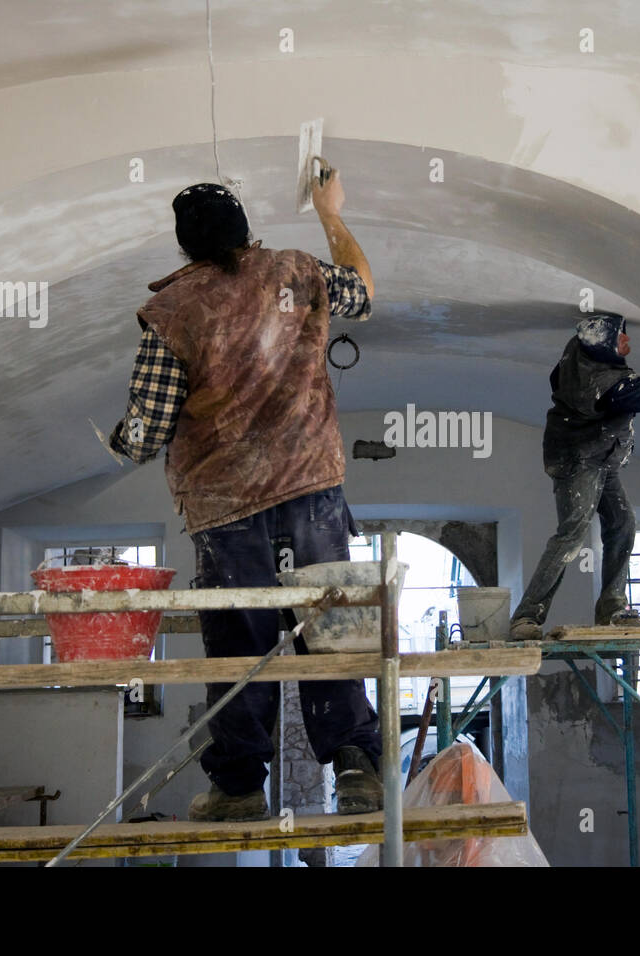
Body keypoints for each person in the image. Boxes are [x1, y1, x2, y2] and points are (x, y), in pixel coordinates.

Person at [107, 174, 383, 821]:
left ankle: (237, 788)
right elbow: (364, 292)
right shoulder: (296, 272)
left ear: (186, 248)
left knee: (239, 646)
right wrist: (330, 212)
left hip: (227, 508)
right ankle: (356, 769)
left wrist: (120, 441)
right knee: (330, 632)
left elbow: (145, 434)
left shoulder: (176, 310)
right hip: (311, 488)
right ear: (245, 230)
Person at [509, 311, 640, 640]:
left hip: (600, 455)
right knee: (571, 535)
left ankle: (612, 607)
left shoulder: (579, 350)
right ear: (606, 347)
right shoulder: (610, 386)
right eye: (620, 337)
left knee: (623, 522)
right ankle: (526, 617)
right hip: (578, 459)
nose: (628, 342)